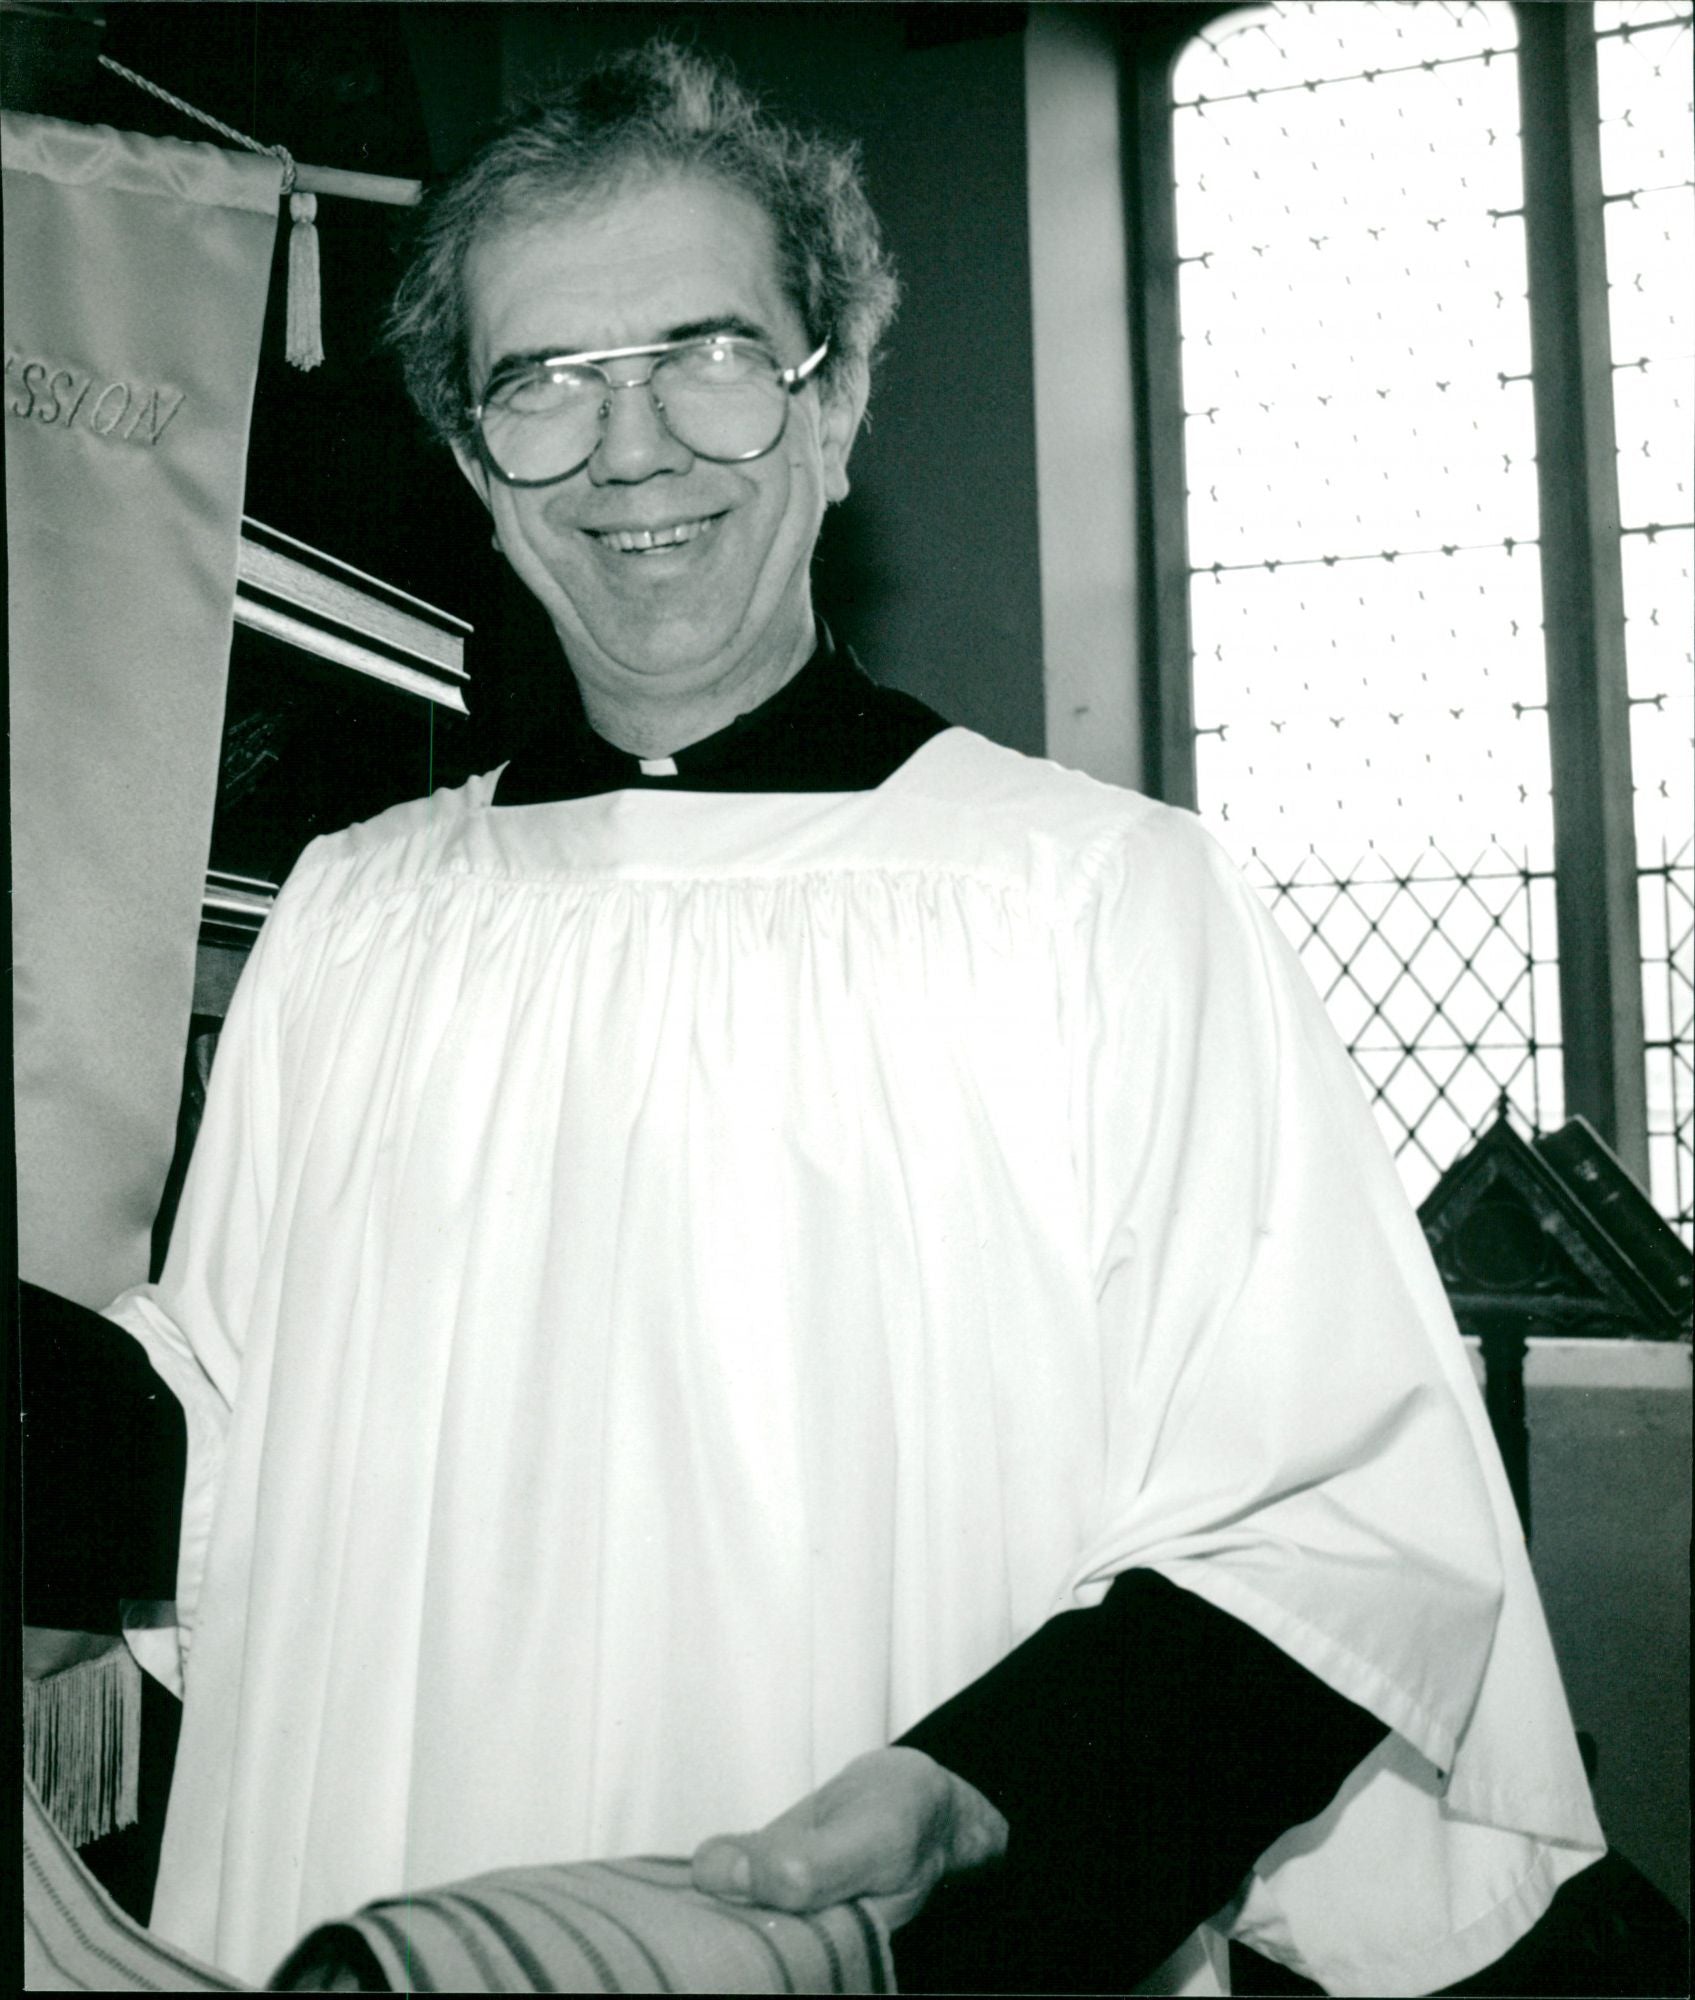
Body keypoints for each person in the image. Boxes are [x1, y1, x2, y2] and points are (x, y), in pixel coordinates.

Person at [102, 39, 1607, 1994]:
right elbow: (234, 1440)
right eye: (544, 384)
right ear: (474, 465)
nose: (631, 449)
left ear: (834, 400)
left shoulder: (1100, 901)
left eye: (709, 356)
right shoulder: (357, 913)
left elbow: (1329, 1523)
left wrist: (987, 1794)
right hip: (384, 1904)